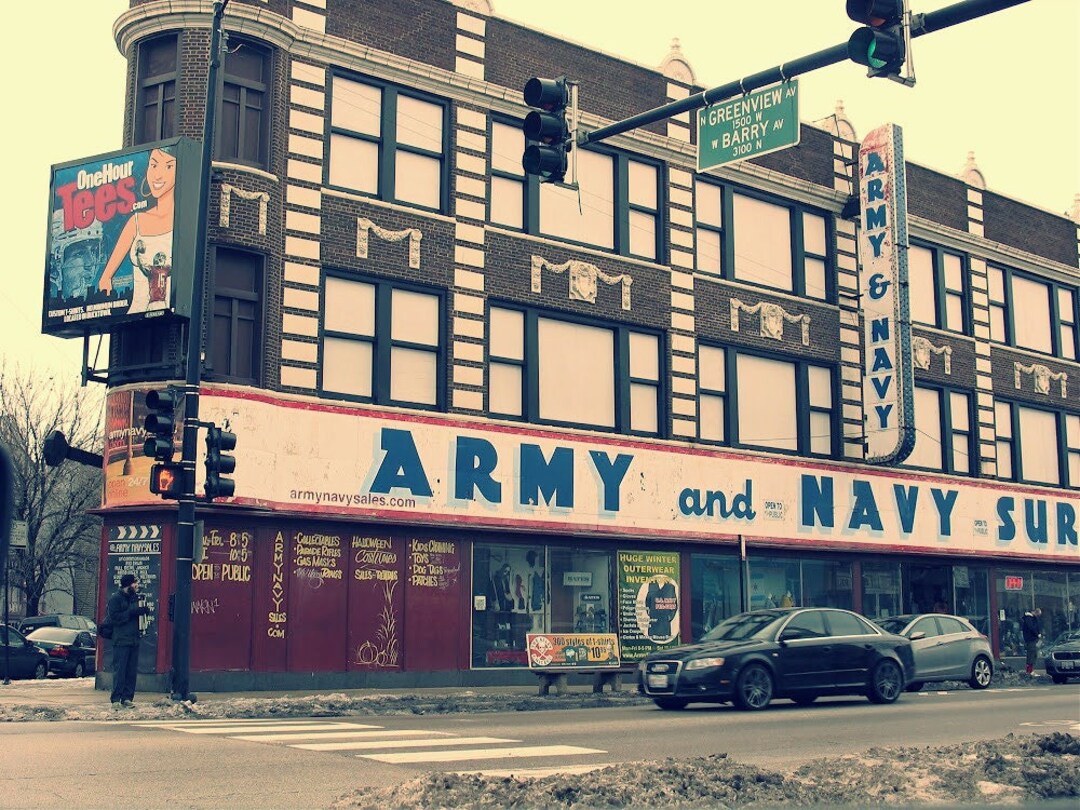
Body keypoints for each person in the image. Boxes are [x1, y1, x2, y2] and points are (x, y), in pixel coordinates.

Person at [98, 146, 177, 314]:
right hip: (136, 315)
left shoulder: (185, 220)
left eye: (169, 166)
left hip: (172, 312)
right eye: (153, 165)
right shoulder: (136, 221)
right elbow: (105, 278)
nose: (158, 174)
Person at [107, 573, 152, 706]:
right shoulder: (116, 599)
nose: (136, 585)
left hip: (134, 639)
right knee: (120, 670)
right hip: (121, 640)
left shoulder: (135, 598)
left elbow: (137, 614)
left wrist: (143, 611)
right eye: (134, 583)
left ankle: (127, 698)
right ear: (128, 585)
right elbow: (114, 618)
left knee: (131, 671)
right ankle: (116, 698)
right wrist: (132, 612)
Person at [1020, 607, 1043, 675]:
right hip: (1030, 639)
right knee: (1031, 654)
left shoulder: (1033, 618)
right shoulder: (1028, 619)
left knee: (1033, 654)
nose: (1038, 616)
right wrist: (1037, 634)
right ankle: (1029, 671)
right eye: (1038, 614)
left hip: (1033, 638)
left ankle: (1030, 670)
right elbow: (1031, 628)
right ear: (1035, 612)